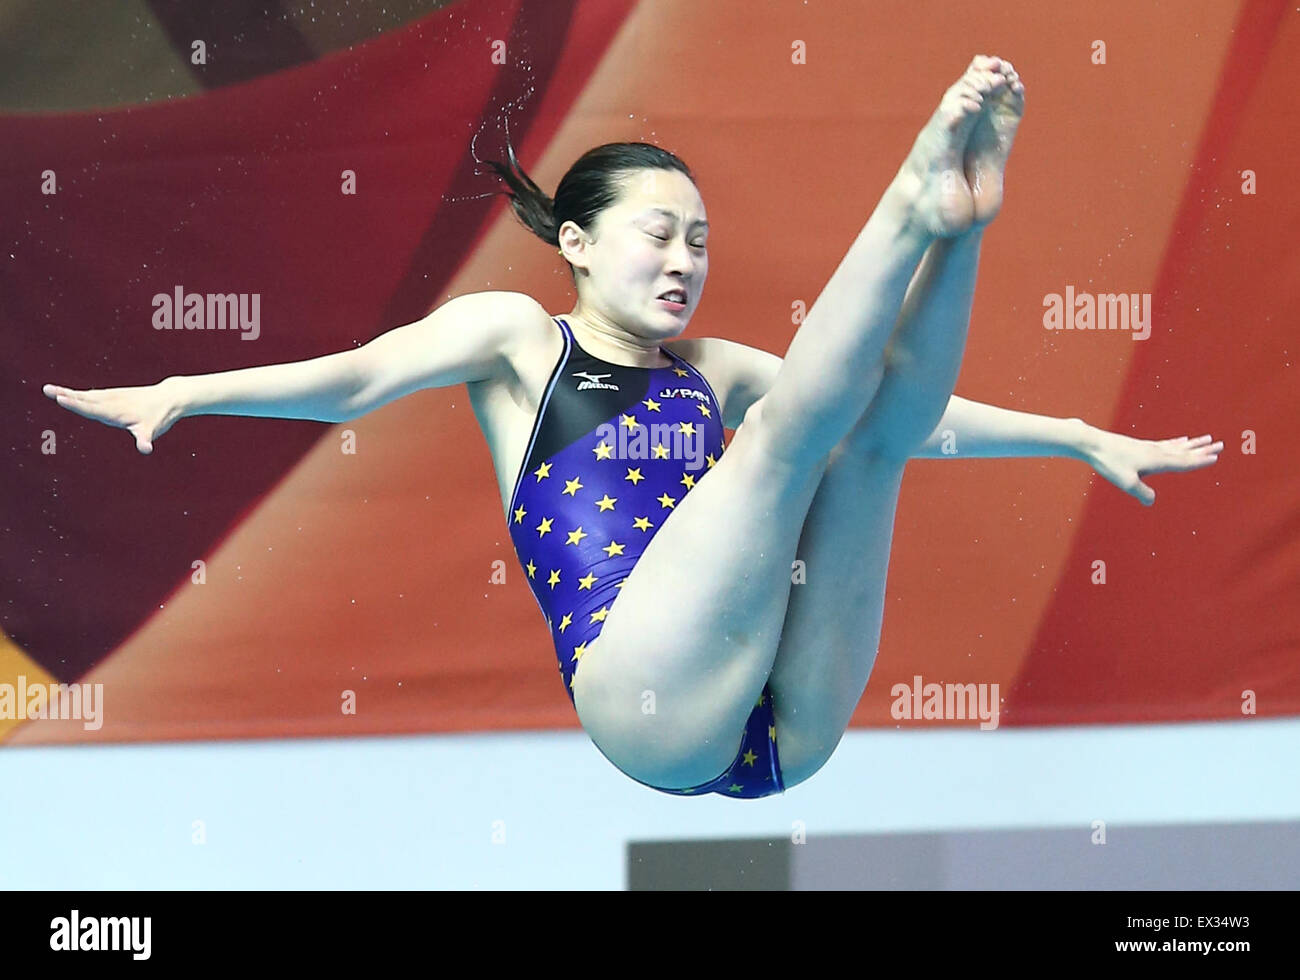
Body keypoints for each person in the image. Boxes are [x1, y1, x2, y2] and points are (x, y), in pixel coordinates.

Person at [44, 56, 1222, 798]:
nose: (684, 260)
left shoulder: (709, 370)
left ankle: (958, 223)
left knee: (860, 443)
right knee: (788, 442)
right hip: (643, 700)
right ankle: (910, 201)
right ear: (575, 243)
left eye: (700, 241)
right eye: (658, 233)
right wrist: (187, 390)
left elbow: (908, 418)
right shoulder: (518, 343)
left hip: (785, 731)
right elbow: (355, 381)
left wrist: (1075, 432)